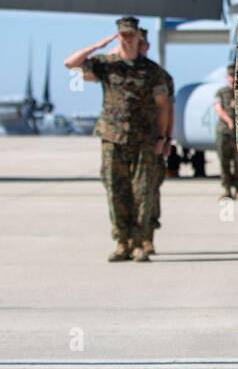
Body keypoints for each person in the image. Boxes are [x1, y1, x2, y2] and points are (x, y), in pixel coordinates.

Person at [64, 17, 170, 262]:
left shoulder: (152, 71)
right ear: (117, 36)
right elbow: (71, 64)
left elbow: (163, 107)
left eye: (131, 35)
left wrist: (162, 137)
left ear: (139, 38)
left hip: (144, 140)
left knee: (142, 193)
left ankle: (140, 243)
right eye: (122, 35)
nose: (127, 39)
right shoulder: (106, 65)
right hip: (112, 138)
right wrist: (97, 46)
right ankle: (122, 242)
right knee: (116, 192)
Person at [139, 28, 175, 257]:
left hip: (151, 142)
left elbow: (167, 110)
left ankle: (146, 238)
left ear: (147, 46)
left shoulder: (158, 74)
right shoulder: (114, 69)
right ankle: (126, 240)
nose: (134, 45)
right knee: (124, 194)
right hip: (124, 142)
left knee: (149, 191)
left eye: (140, 42)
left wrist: (166, 138)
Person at [213, 64, 238, 200]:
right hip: (224, 132)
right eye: (231, 76)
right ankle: (227, 189)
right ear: (227, 77)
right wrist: (229, 121)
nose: (233, 79)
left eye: (235, 76)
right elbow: (218, 108)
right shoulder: (221, 92)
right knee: (224, 162)